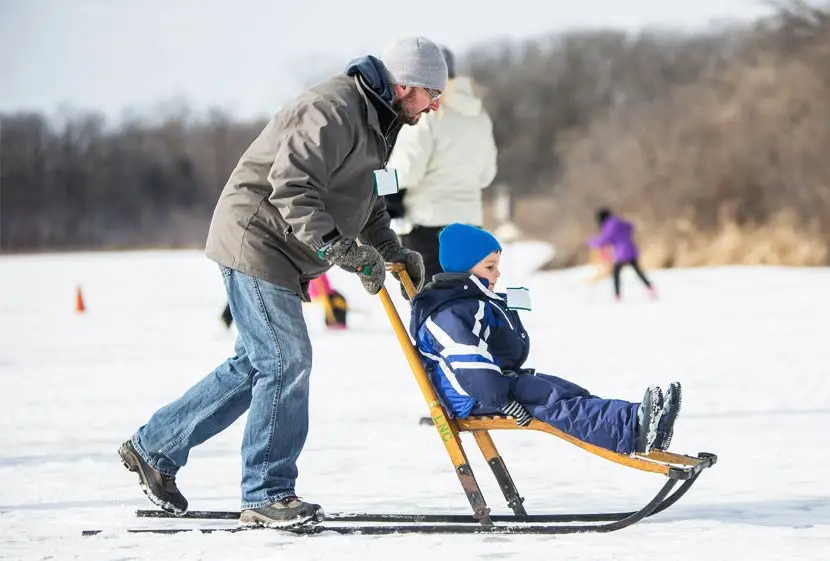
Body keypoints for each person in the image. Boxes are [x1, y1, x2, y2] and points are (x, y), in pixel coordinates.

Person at [118, 36, 448, 528]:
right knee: (284, 359)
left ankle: (155, 447)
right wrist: (339, 248)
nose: (435, 104)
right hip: (256, 238)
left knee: (256, 364)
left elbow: (368, 198)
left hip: (286, 250)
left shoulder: (383, 120)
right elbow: (291, 187)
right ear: (403, 85)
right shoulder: (332, 109)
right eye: (430, 93)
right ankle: (267, 493)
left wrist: (391, 248)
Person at [409, 223, 682, 455]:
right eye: (490, 266)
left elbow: (505, 351)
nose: (498, 273)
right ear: (464, 270)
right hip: (473, 396)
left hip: (492, 386)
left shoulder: (470, 303)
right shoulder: (448, 313)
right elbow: (469, 364)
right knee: (550, 400)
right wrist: (501, 400)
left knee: (565, 390)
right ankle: (632, 430)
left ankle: (637, 421)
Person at [385, 46, 498, 283]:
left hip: (428, 225)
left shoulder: (428, 113)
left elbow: (406, 170)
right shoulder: (479, 114)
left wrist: (380, 187)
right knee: (466, 303)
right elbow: (487, 175)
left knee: (429, 303)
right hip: (470, 224)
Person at [587, 208, 657, 301]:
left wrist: (591, 242)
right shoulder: (619, 221)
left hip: (621, 253)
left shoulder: (609, 226)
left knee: (616, 274)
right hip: (631, 249)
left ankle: (617, 295)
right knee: (637, 271)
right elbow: (631, 226)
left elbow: (605, 239)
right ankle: (650, 287)